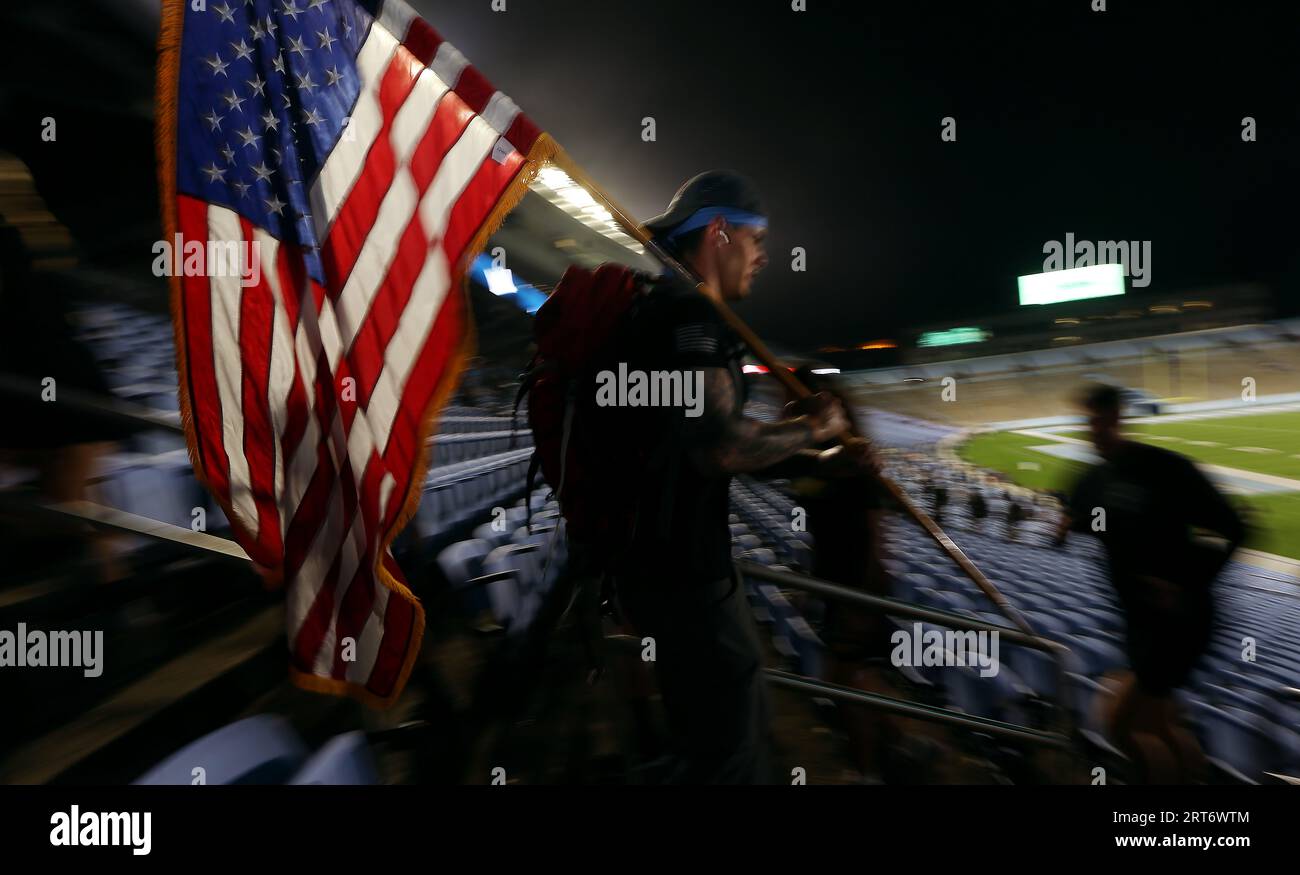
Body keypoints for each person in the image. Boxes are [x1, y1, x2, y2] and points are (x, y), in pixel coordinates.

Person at [611, 170, 867, 784]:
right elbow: (720, 449)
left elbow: (710, 447)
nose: (764, 255)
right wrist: (821, 429)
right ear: (720, 232)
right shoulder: (691, 314)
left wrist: (821, 460)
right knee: (733, 753)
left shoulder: (666, 310)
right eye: (756, 239)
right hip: (684, 578)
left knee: (717, 739)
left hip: (662, 571)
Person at [1056, 383, 1245, 784]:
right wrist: (1070, 527)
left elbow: (1235, 529)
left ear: (1119, 419)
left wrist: (1186, 584)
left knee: (1122, 724)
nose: (1094, 432)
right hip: (1137, 622)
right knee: (1160, 726)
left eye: (1101, 422)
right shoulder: (1092, 479)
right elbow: (1094, 520)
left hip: (1179, 622)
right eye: (1088, 423)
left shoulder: (1165, 469)